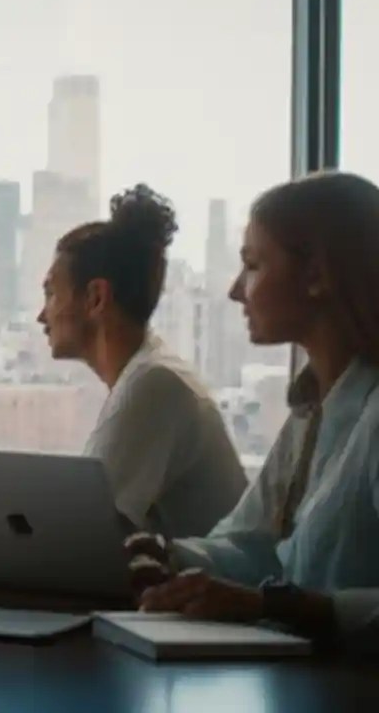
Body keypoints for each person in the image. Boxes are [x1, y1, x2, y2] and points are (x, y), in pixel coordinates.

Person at [130, 171, 379, 652]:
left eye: (252, 265)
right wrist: (166, 557)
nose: (235, 290)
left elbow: (279, 590)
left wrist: (280, 607)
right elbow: (253, 544)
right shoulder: (311, 411)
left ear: (317, 276)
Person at [36, 184, 247, 538]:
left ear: (96, 297)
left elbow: (82, 535)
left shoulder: (153, 385)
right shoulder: (150, 372)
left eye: (51, 293)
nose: (42, 316)